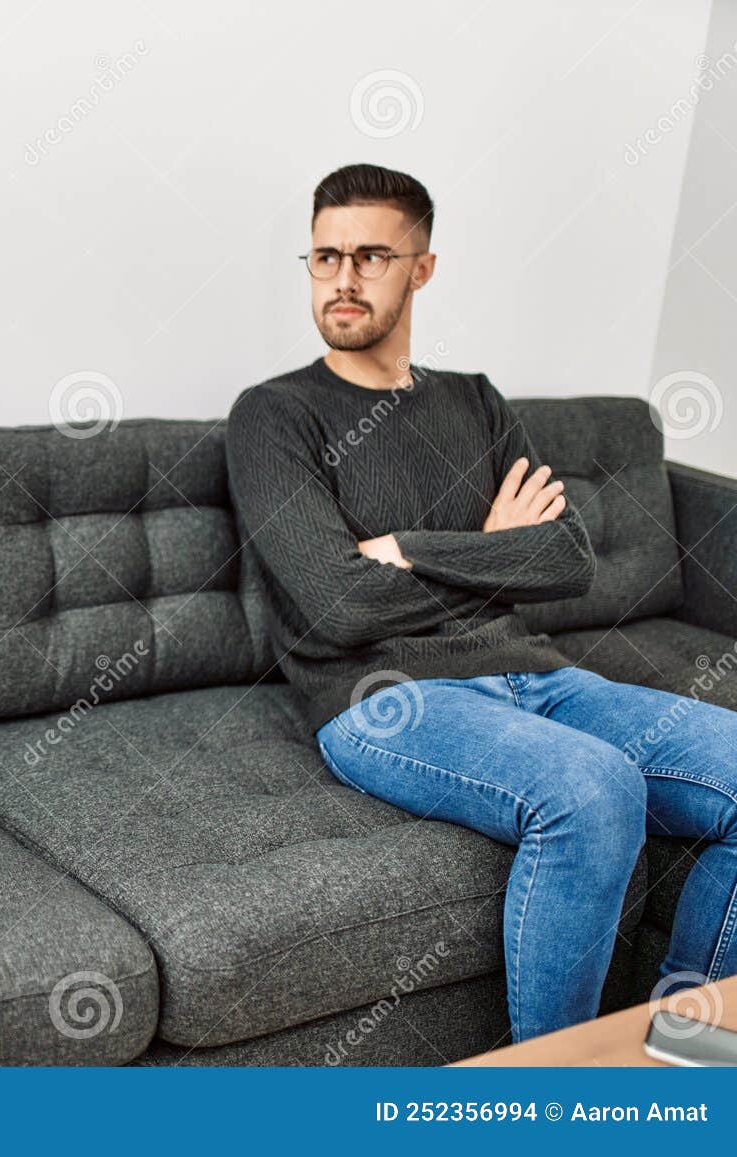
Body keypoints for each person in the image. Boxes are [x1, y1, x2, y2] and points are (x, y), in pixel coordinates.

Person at [225, 163, 737, 1043]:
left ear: (422, 268)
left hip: (537, 676)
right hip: (384, 695)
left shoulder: (474, 400)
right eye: (325, 257)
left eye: (372, 256)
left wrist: (410, 547)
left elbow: (568, 558)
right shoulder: (273, 415)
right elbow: (339, 606)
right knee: (593, 787)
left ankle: (681, 1051)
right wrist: (498, 548)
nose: (343, 279)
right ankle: (550, 1089)